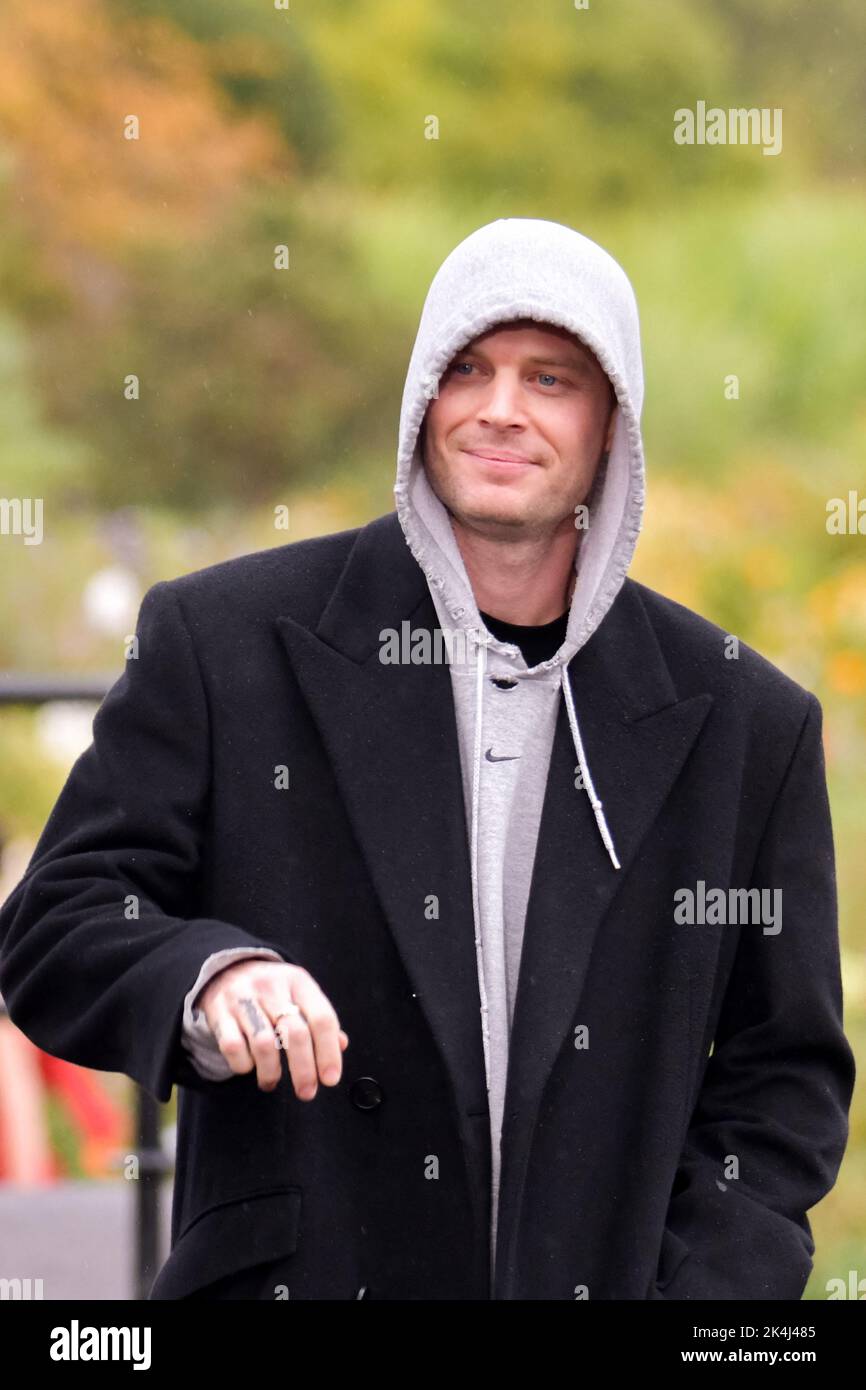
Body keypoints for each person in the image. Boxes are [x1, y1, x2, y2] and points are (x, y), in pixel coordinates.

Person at [0, 218, 854, 1300]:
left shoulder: (746, 722)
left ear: (611, 428)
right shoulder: (222, 641)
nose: (499, 409)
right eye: (466, 369)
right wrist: (210, 979)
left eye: (549, 378)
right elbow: (59, 917)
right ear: (421, 399)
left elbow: (781, 1079)